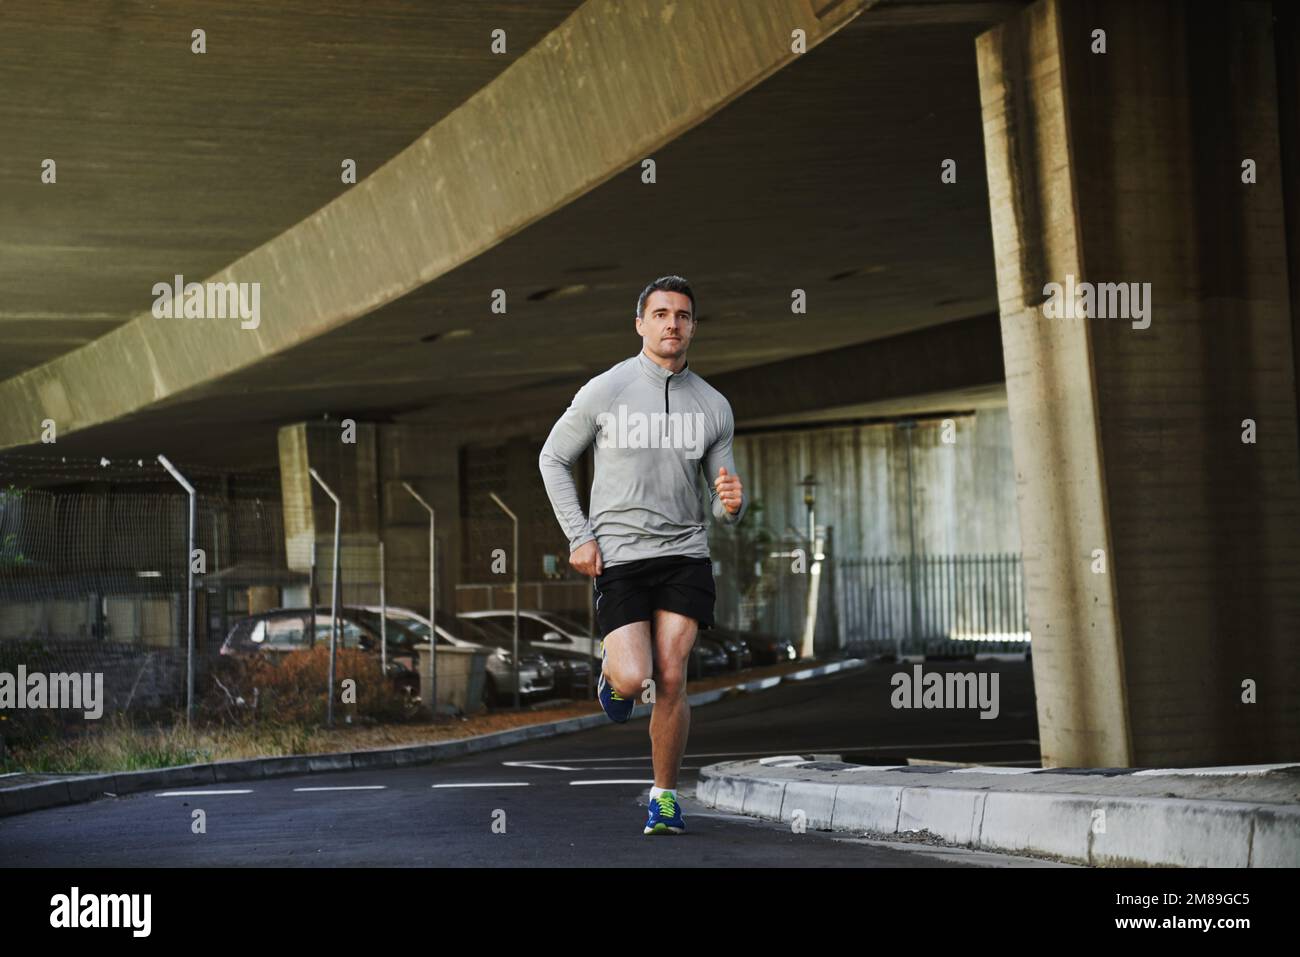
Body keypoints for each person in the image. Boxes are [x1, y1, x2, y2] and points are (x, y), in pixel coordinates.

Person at [538, 275, 746, 834]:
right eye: (660, 314)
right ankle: (615, 678)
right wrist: (578, 536)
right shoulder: (605, 390)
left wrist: (732, 503)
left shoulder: (714, 405)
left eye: (681, 315)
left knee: (673, 677)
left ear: (693, 326)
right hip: (621, 557)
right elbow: (552, 458)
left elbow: (724, 497)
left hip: (685, 553)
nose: (671, 323)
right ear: (640, 324)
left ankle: (664, 797)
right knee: (636, 678)